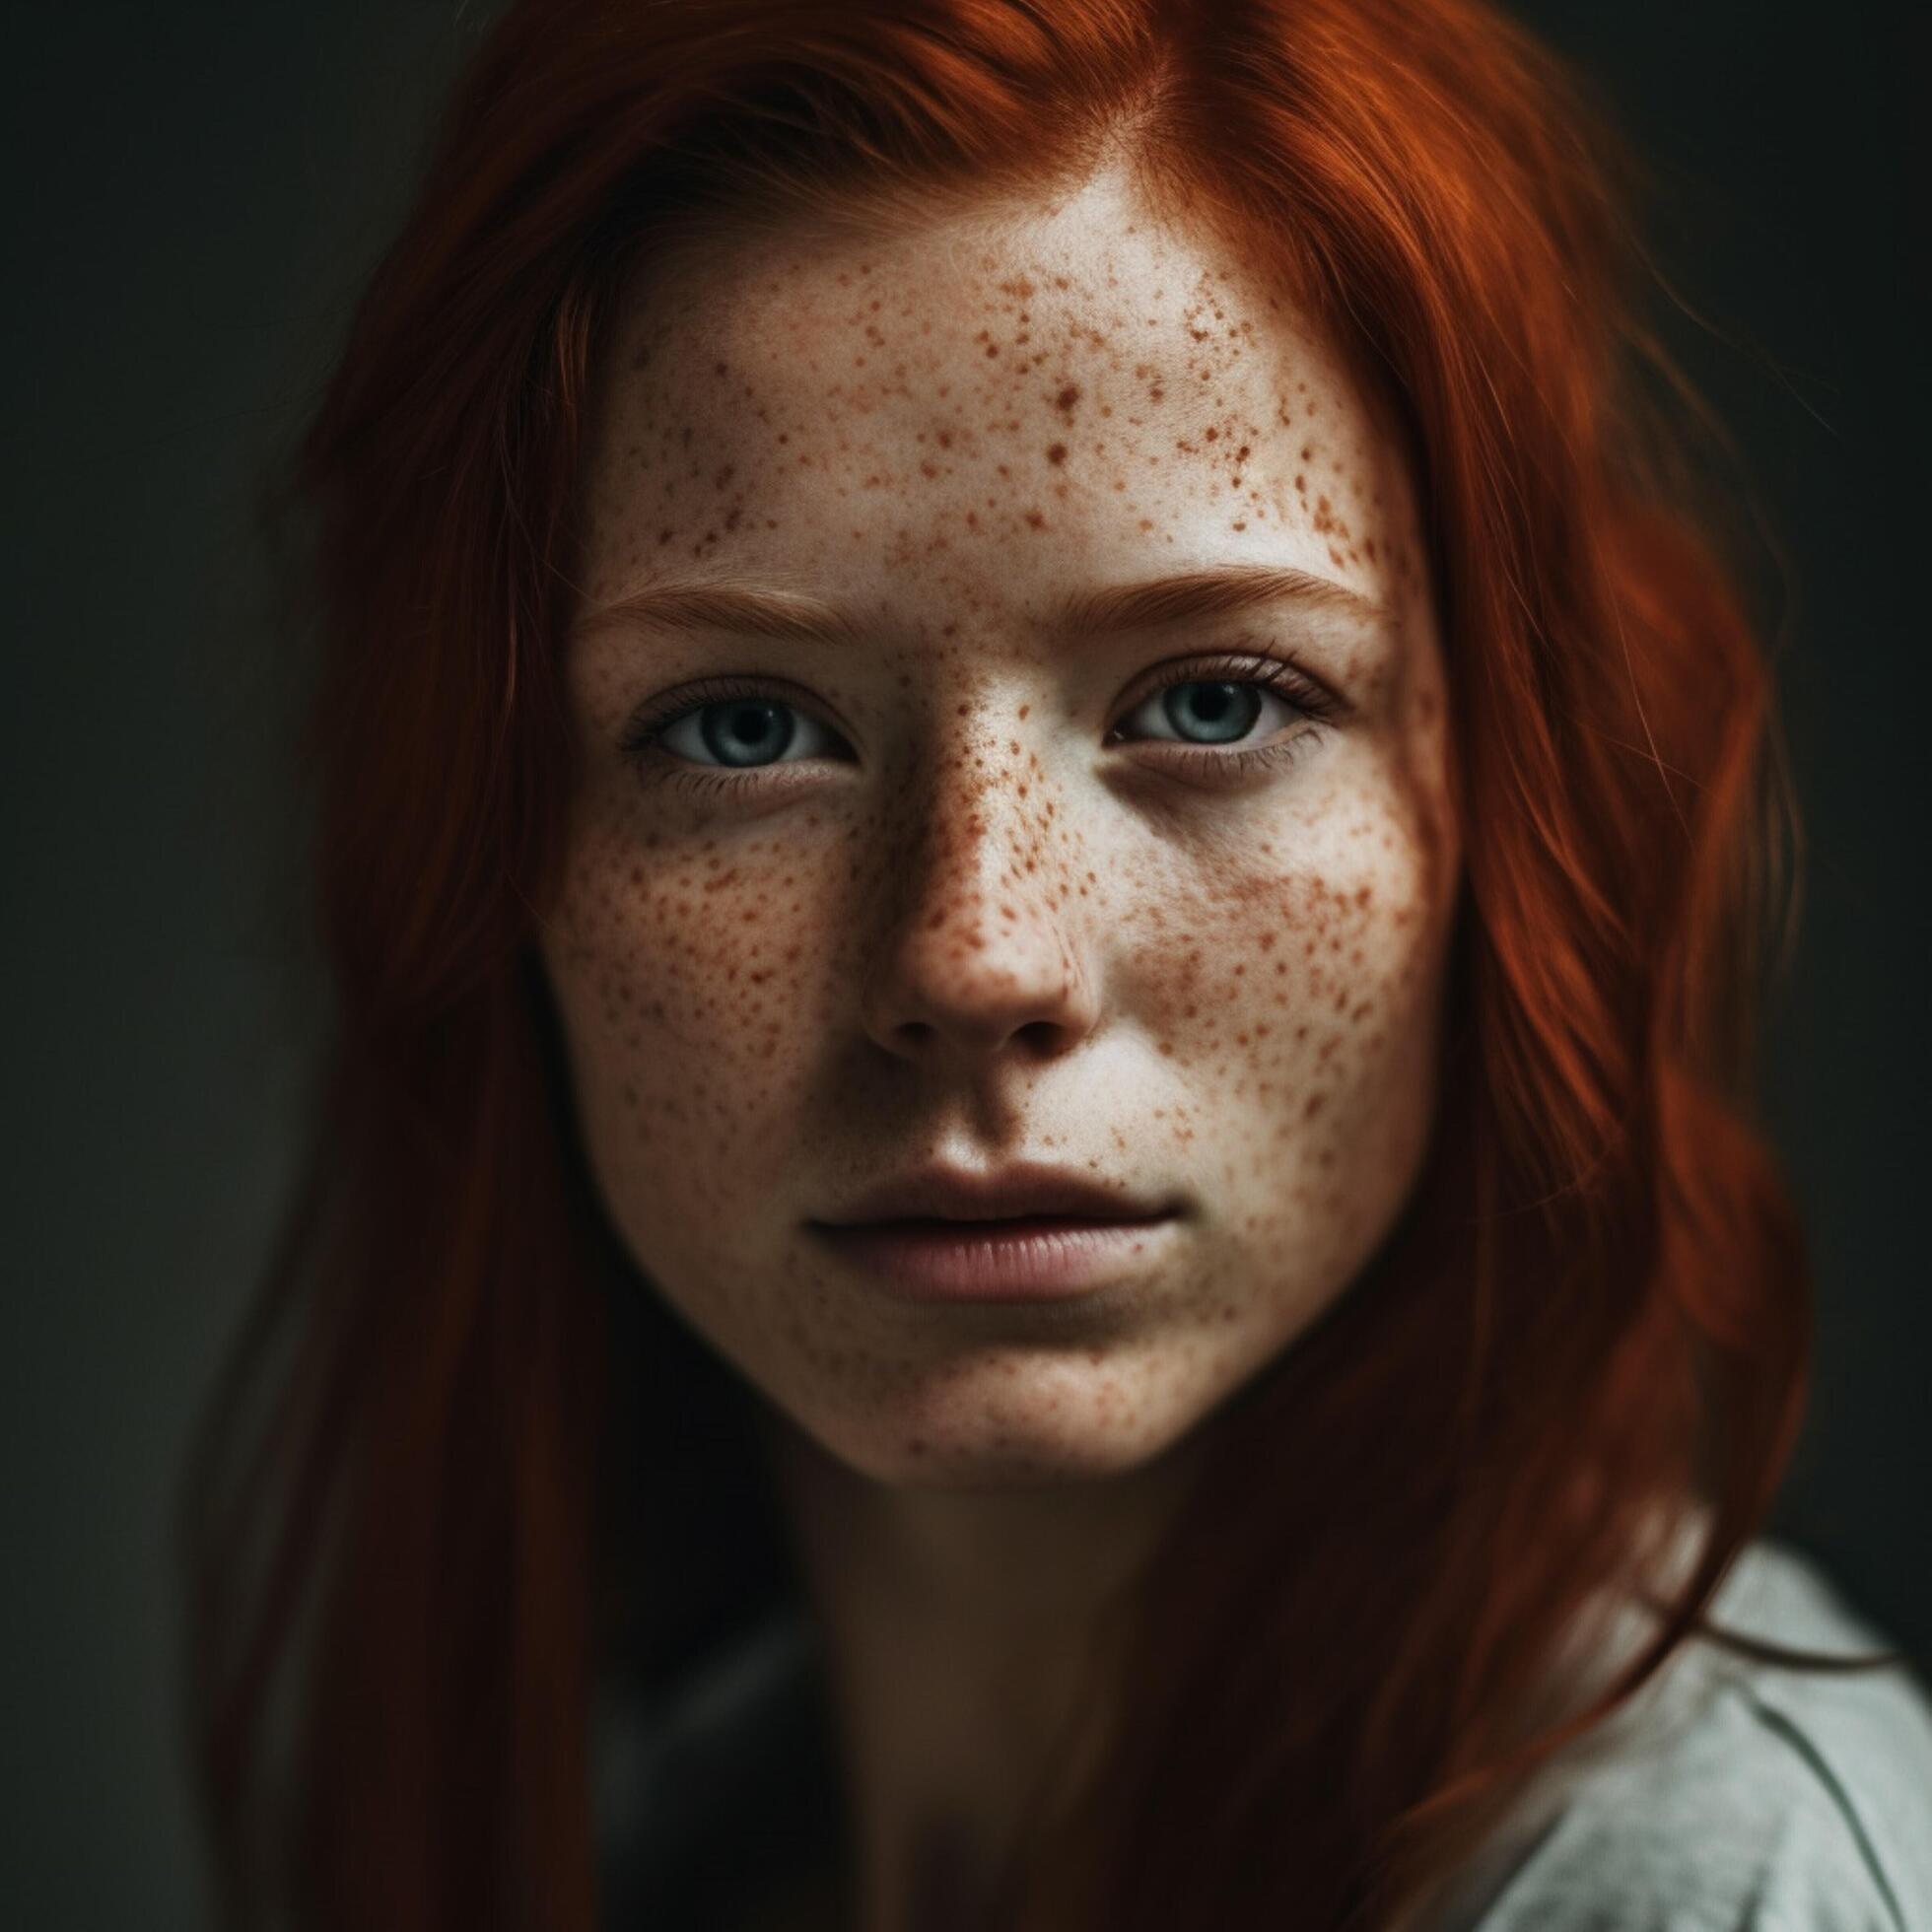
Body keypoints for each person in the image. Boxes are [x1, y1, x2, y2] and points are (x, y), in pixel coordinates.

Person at [176, 1, 1932, 1928]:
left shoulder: (1702, 1883)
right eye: (745, 728)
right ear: (496, 849)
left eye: (1210, 695)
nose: (972, 949)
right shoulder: (647, 1831)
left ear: (1490, 799)